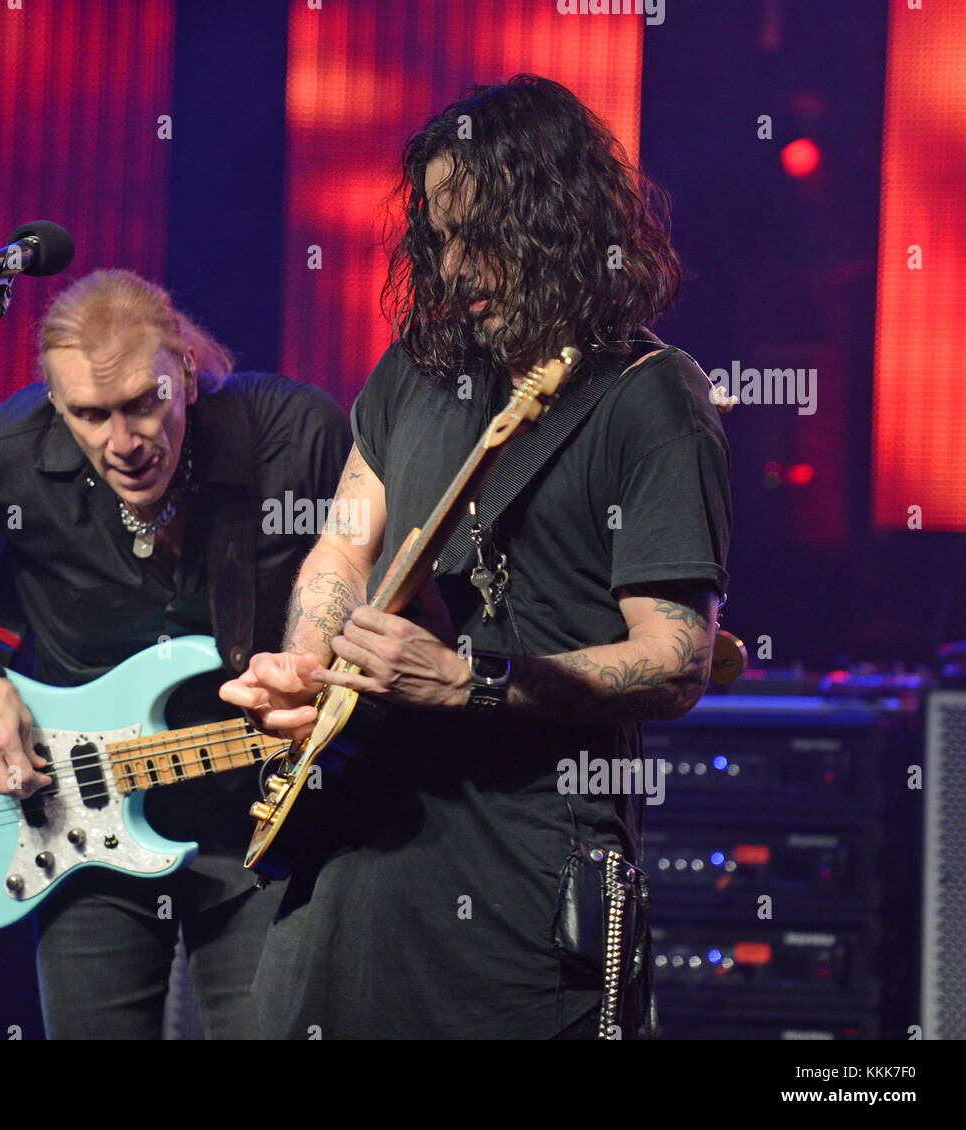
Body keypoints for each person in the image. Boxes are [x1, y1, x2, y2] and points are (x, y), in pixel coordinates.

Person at [221, 75, 732, 1039]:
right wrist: (304, 664)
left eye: (480, 234)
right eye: (440, 236)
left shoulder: (651, 401)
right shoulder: (418, 369)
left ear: (560, 219)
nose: (453, 268)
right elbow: (343, 541)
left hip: (518, 896)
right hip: (352, 869)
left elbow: (676, 660)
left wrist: (469, 684)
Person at [0, 268, 350, 1038]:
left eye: (146, 402)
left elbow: (381, 566)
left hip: (259, 830)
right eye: (90, 415)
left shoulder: (292, 436)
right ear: (54, 403)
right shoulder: (12, 448)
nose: (125, 442)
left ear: (189, 375)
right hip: (74, 833)